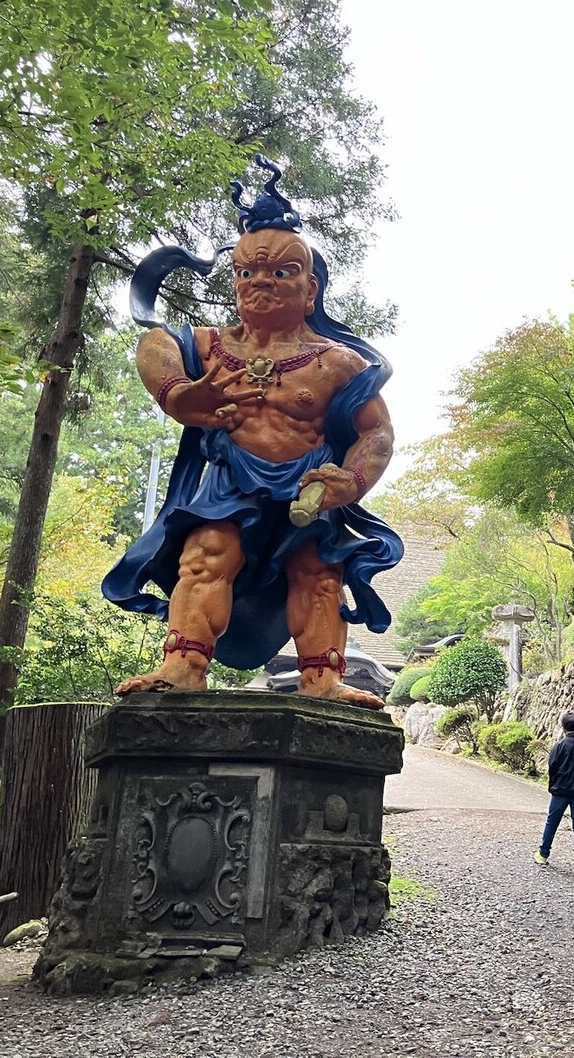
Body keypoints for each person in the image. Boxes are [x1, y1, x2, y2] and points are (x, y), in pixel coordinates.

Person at [103, 156, 402, 704]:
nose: (260, 280)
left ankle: (322, 680)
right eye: (246, 272)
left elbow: (377, 433)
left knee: (318, 572)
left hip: (307, 484)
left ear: (310, 289)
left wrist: (352, 480)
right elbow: (153, 342)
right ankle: (183, 666)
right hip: (229, 481)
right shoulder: (207, 346)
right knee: (205, 555)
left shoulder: (336, 362)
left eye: (281, 272)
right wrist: (179, 393)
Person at [534, 712, 574, 875]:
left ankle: (543, 854)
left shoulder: (560, 746)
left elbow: (552, 767)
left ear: (563, 728)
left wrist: (554, 785)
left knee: (552, 822)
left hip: (560, 791)